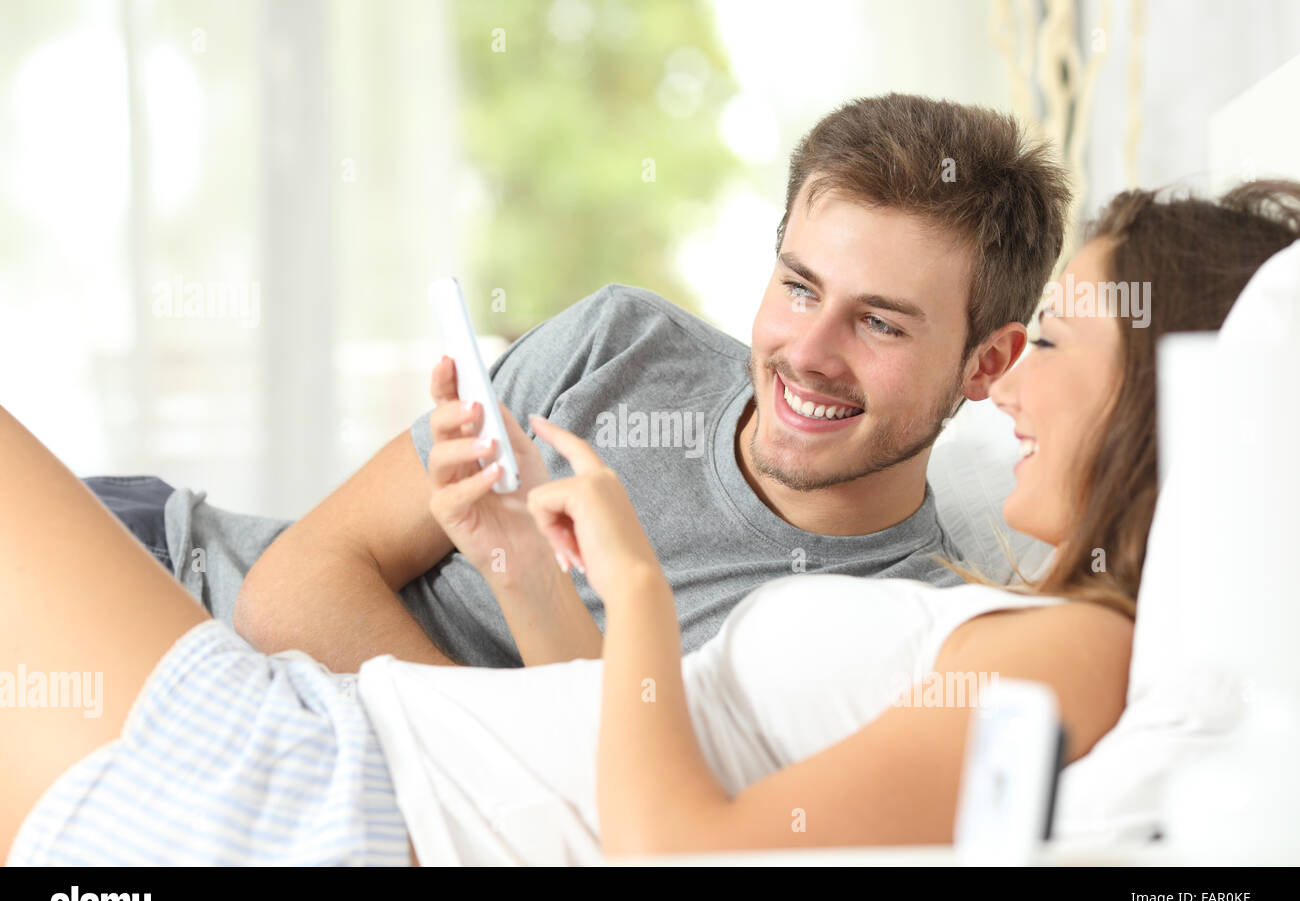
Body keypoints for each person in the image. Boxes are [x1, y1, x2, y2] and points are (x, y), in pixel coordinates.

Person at [6, 180, 1298, 865]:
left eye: (1051, 344)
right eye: (797, 284)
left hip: (338, 795)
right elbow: (634, 767)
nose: (1012, 384)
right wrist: (524, 560)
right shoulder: (1029, 628)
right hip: (335, 760)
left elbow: (686, 856)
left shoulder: (1077, 657)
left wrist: (636, 585)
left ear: (1154, 384)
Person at [86, 93, 1072, 672]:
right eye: (797, 285)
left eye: (879, 321)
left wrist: (498, 686)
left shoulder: (904, 624)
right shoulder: (620, 342)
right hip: (161, 560)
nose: (807, 351)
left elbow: (610, 802)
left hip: (216, 690)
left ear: (986, 363)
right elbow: (289, 584)